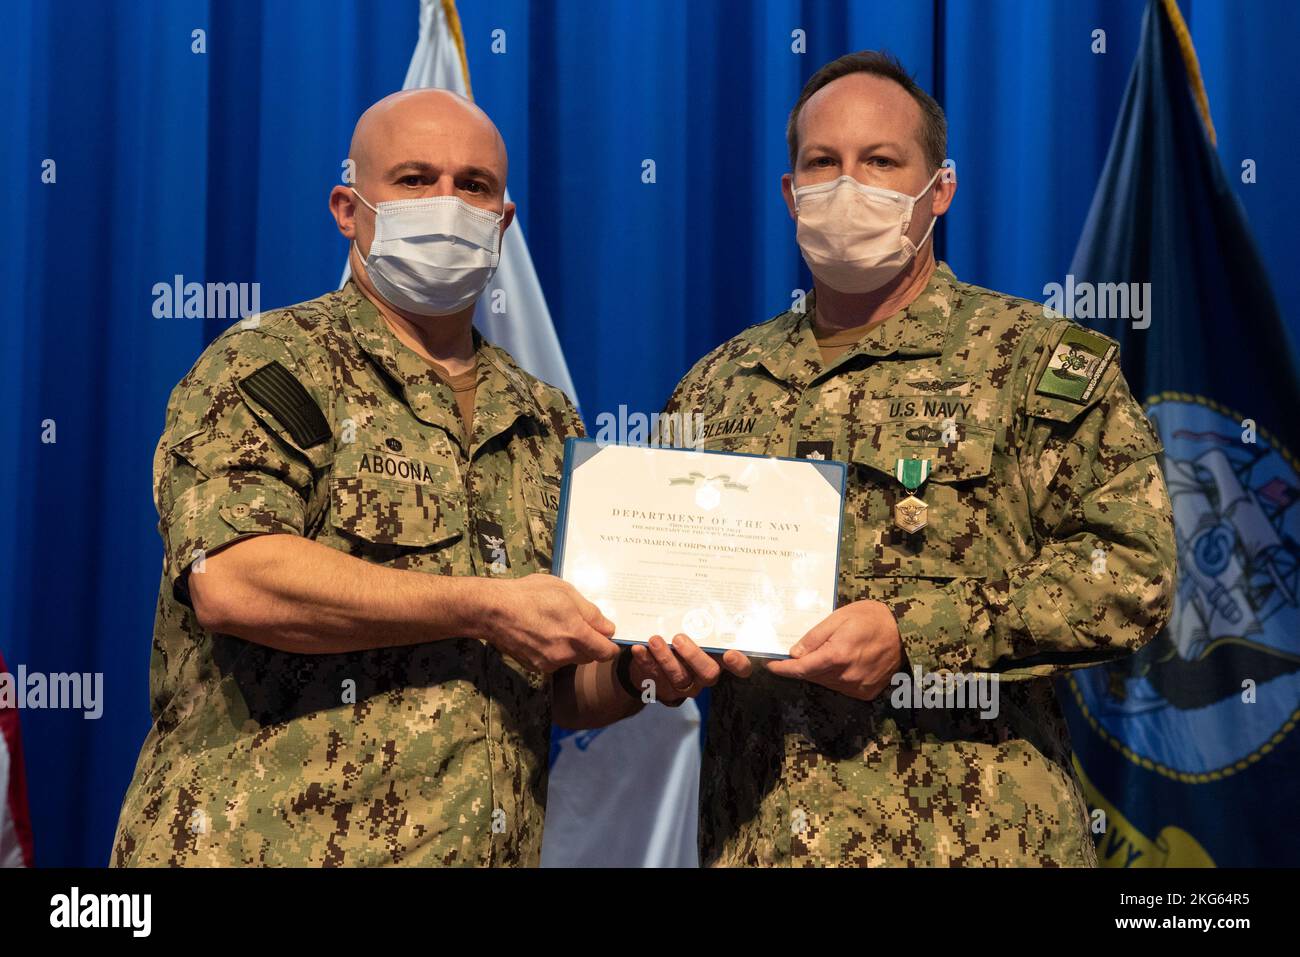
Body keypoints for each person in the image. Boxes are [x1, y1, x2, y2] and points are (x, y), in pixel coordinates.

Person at [111, 89, 707, 866]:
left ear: (503, 221)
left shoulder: (543, 415)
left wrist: (635, 672)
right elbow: (233, 580)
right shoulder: (270, 364)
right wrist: (484, 606)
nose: (446, 204)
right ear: (347, 208)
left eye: (473, 186)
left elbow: (559, 687)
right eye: (415, 179)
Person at [657, 51, 1177, 866]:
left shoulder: (1031, 362)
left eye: (880, 161)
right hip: (762, 840)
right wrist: (657, 655)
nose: (847, 186)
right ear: (790, 193)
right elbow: (656, 590)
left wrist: (912, 631)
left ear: (940, 189)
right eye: (822, 163)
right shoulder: (715, 385)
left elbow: (1133, 571)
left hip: (979, 844)